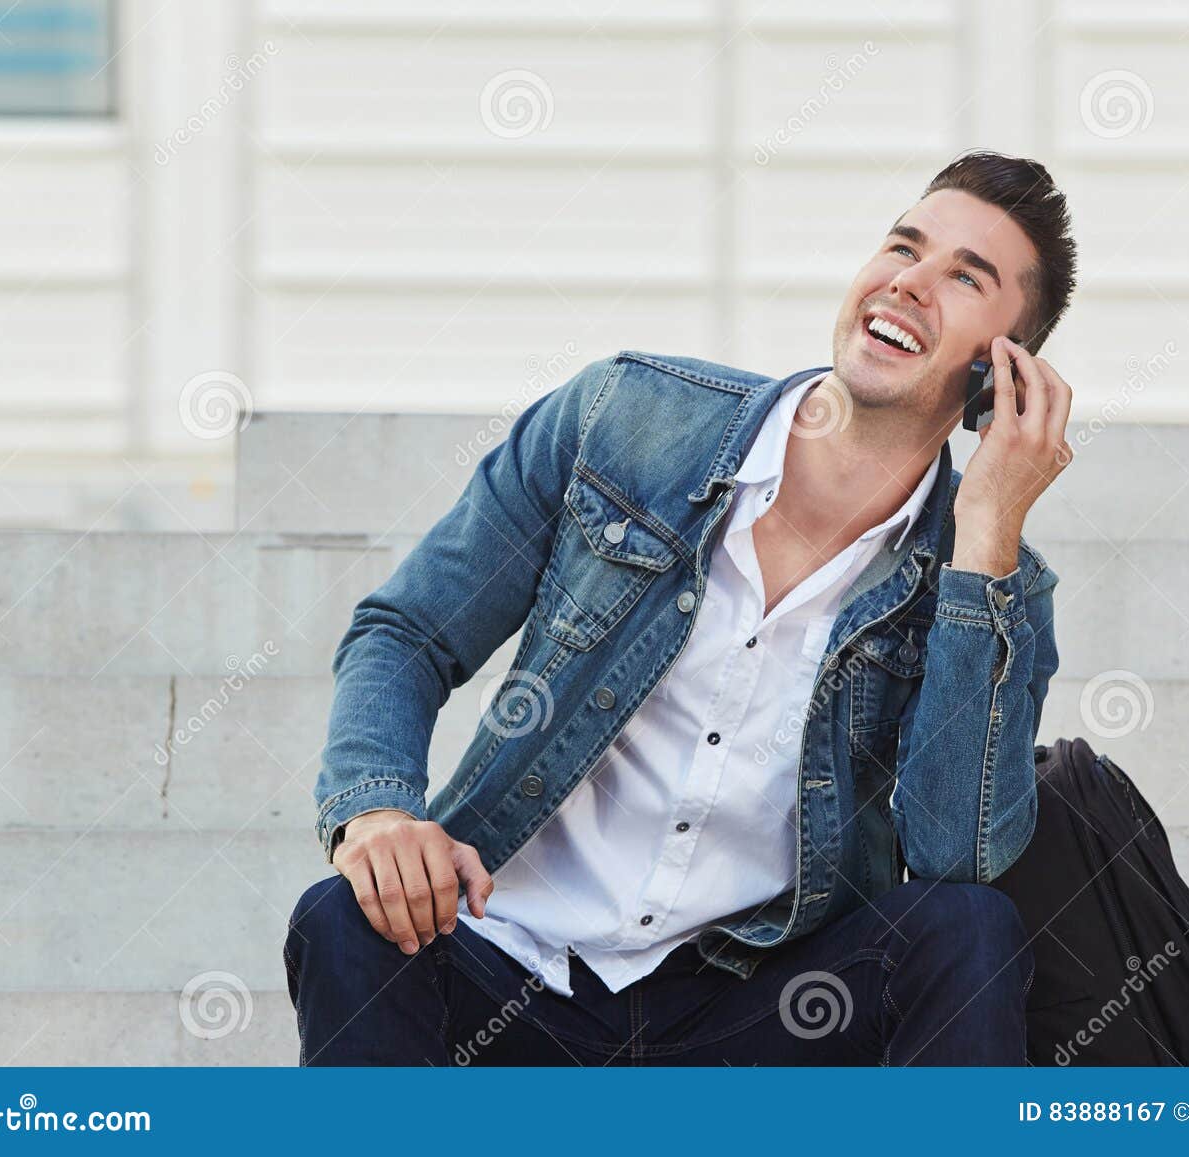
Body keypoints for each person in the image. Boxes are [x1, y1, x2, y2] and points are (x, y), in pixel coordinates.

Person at [285, 150, 1078, 1065]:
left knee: (967, 930)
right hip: (508, 961)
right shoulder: (624, 418)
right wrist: (377, 812)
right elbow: (408, 632)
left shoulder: (993, 580)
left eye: (964, 278)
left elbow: (955, 856)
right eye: (904, 246)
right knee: (346, 917)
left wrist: (983, 540)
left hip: (749, 1009)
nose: (909, 282)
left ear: (1004, 373)